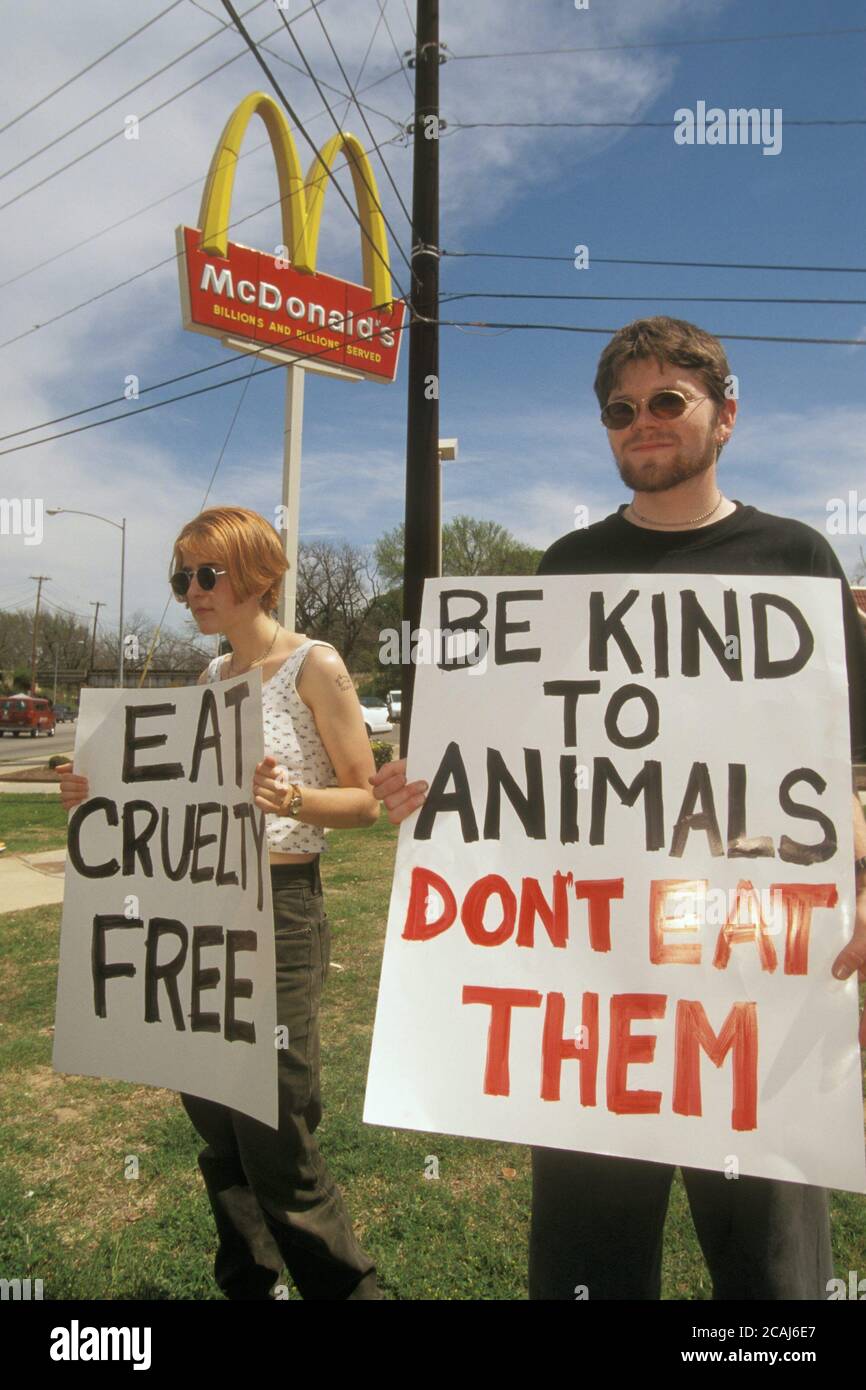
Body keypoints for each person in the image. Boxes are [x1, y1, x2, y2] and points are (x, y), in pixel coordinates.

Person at [371, 316, 866, 1301]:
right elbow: (524, 764)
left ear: (725, 413)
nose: (640, 422)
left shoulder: (793, 558)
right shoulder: (565, 567)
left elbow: (847, 763)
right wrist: (426, 787)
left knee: (770, 1270)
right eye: (618, 409)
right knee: (585, 1258)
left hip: (748, 970)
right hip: (592, 979)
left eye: (665, 401)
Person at [59, 505, 383, 1300]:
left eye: (208, 573)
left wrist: (293, 797)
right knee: (214, 1119)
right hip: (198, 909)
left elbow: (366, 799)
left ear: (259, 573)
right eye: (182, 577)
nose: (193, 591)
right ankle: (250, 1282)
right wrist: (96, 794)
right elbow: (172, 799)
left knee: (274, 1127)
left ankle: (347, 1291)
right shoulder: (207, 681)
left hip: (281, 906)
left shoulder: (316, 664)